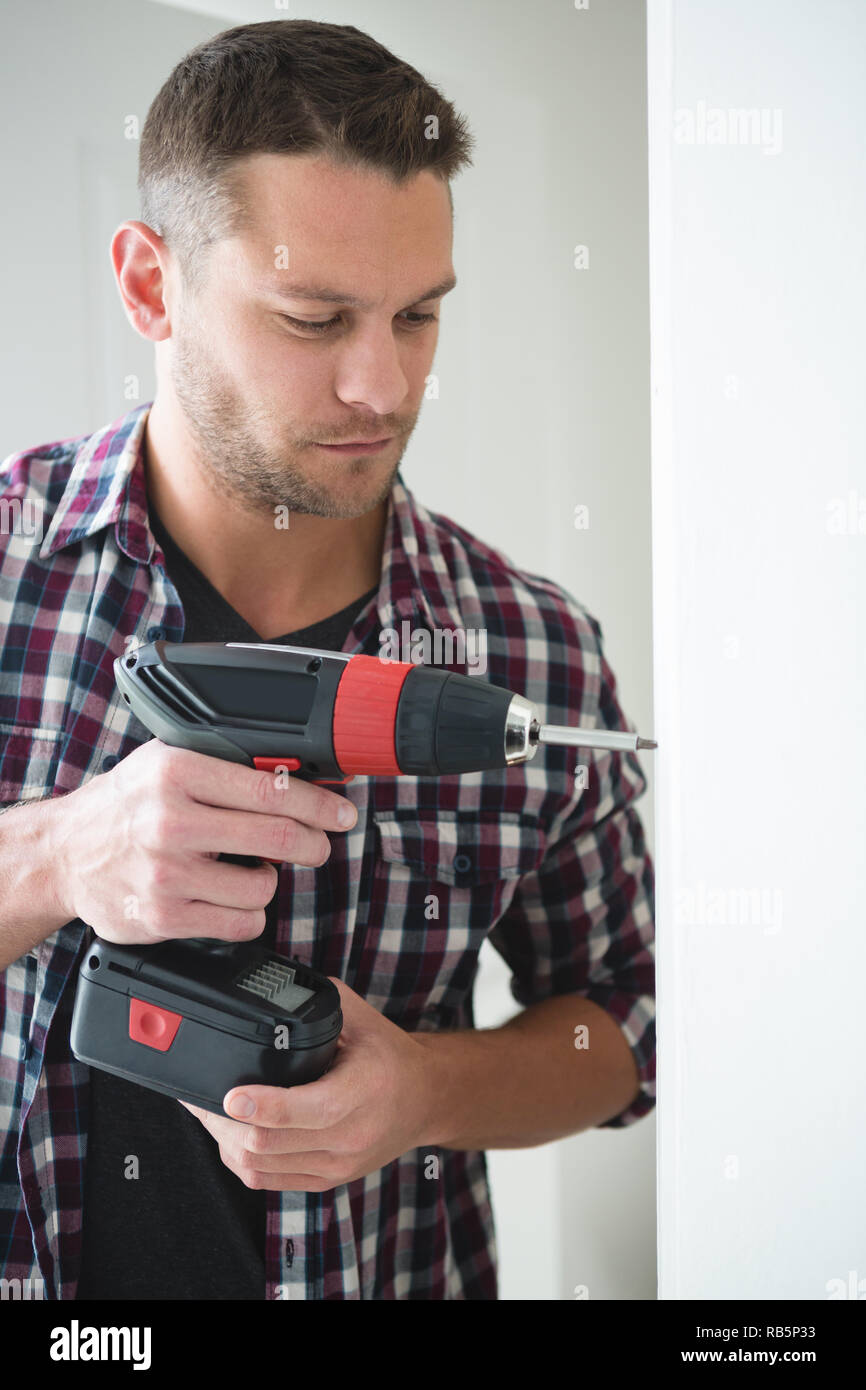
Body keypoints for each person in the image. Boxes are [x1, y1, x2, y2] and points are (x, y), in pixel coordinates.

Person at [0, 18, 655, 1301]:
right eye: (314, 319)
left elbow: (623, 1028)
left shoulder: (530, 649)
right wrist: (58, 854)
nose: (381, 384)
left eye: (418, 316)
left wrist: (425, 1090)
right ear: (151, 286)